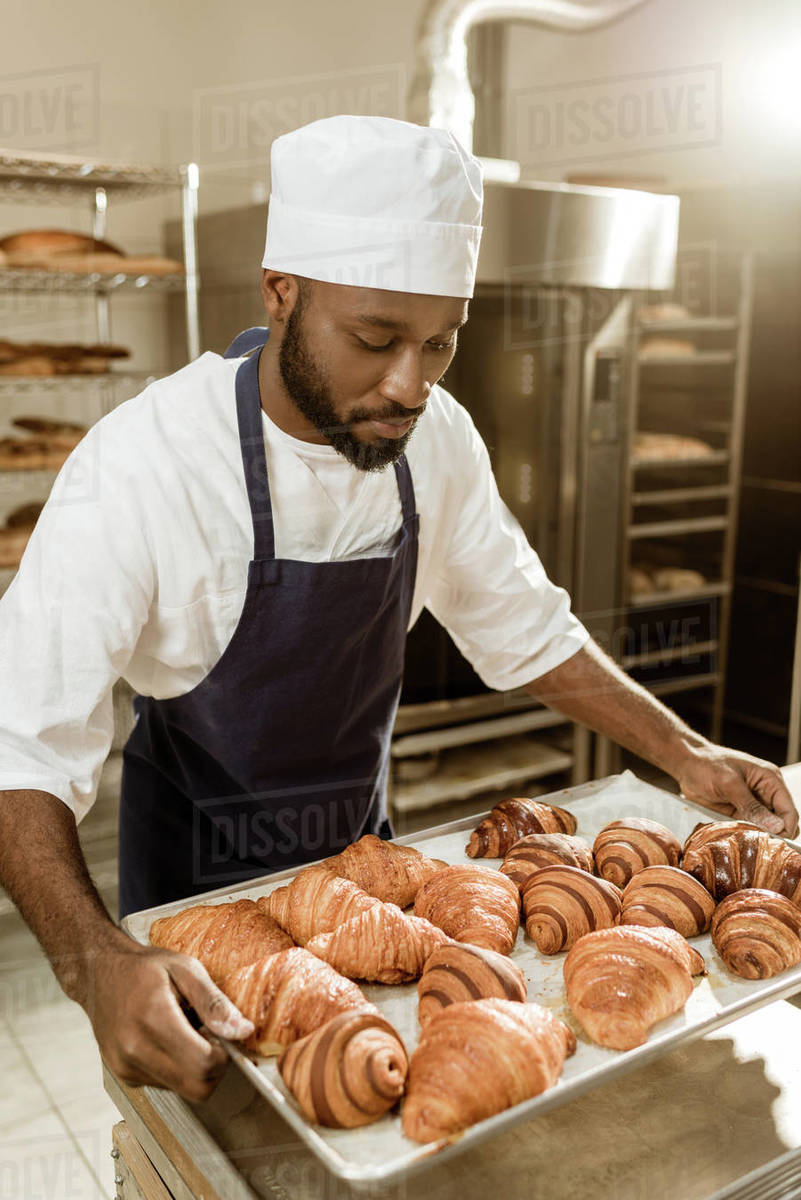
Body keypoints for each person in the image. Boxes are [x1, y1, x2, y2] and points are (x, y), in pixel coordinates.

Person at [0, 115, 796, 1103]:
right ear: (280, 292)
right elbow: (19, 745)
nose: (408, 385)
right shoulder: (142, 464)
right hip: (199, 891)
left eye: (440, 345)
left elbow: (523, 625)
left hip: (368, 866)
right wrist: (91, 962)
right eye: (374, 340)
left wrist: (686, 753)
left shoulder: (439, 439)